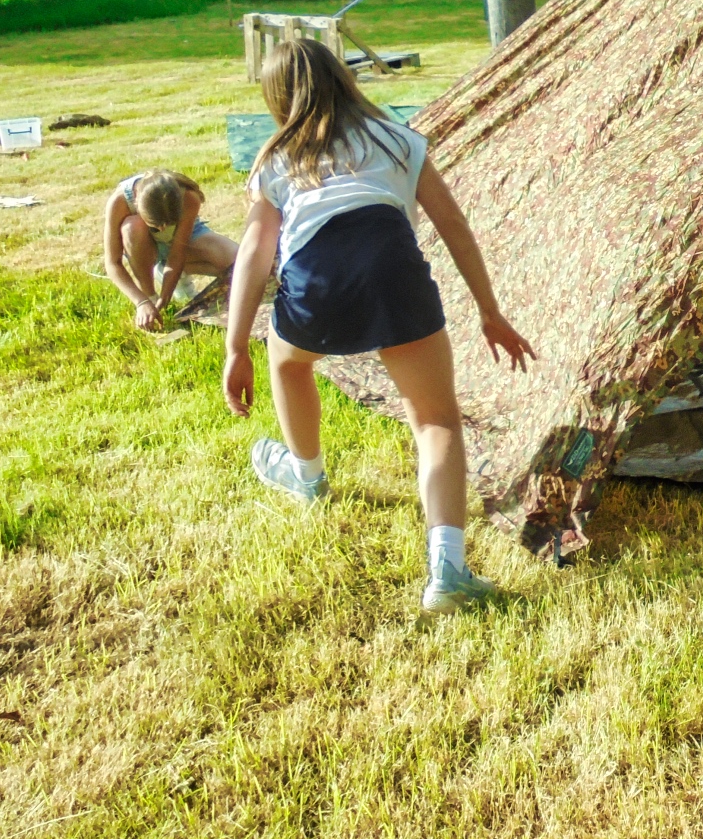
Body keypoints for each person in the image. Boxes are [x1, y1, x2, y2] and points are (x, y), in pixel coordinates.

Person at [224, 39, 536, 612]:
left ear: (276, 99)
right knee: (437, 420)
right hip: (395, 272)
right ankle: (448, 569)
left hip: (315, 282)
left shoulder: (274, 160)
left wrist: (237, 345)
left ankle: (307, 474)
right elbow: (452, 225)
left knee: (288, 363)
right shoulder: (398, 139)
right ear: (345, 79)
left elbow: (253, 252)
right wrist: (490, 311)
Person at [104, 169, 237, 330]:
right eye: (155, 225)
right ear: (137, 204)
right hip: (144, 245)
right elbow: (112, 263)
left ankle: (173, 276)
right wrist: (142, 302)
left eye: (169, 223)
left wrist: (166, 296)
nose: (162, 228)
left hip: (182, 242)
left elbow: (177, 253)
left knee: (237, 262)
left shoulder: (188, 196)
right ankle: (150, 295)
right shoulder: (119, 201)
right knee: (132, 228)